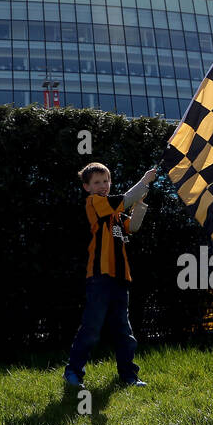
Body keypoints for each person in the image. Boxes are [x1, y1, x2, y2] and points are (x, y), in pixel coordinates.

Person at [64, 162, 160, 390]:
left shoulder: (115, 214)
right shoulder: (95, 203)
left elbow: (133, 226)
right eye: (97, 182)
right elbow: (123, 199)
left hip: (120, 278)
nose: (102, 185)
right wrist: (144, 181)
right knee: (92, 327)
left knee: (124, 331)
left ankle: (128, 375)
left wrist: (140, 202)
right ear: (87, 187)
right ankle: (73, 372)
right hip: (99, 276)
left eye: (106, 181)